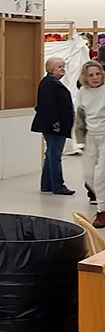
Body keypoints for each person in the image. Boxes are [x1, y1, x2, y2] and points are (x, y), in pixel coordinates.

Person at [31, 56, 75, 195]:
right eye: (59, 67)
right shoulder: (49, 84)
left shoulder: (51, 83)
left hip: (55, 125)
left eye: (63, 66)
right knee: (55, 155)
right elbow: (47, 106)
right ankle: (58, 185)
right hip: (55, 126)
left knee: (51, 155)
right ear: (51, 69)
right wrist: (55, 123)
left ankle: (47, 184)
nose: (63, 69)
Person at [75, 60, 105, 228]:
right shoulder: (83, 92)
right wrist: (79, 140)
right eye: (91, 75)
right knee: (89, 176)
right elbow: (80, 117)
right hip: (91, 137)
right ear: (85, 77)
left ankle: (102, 211)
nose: (95, 78)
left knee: (101, 175)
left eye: (97, 74)